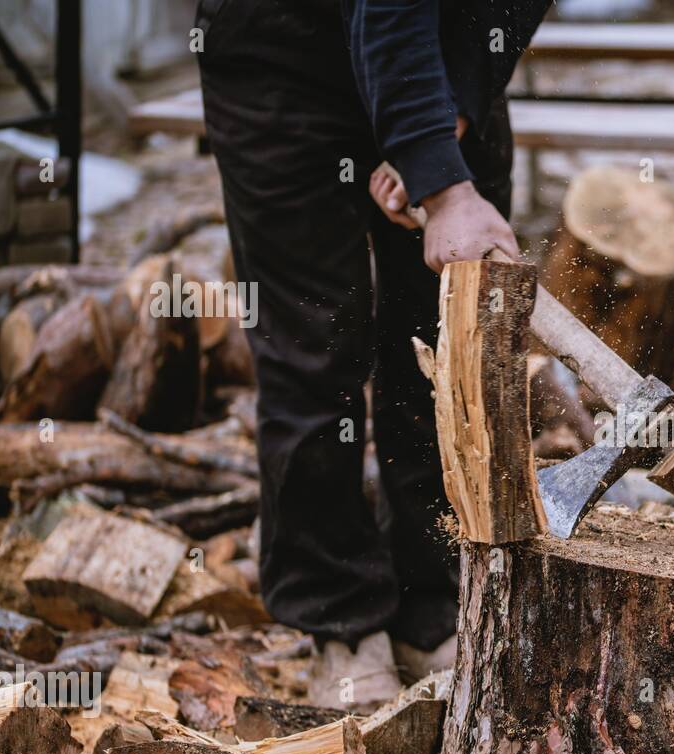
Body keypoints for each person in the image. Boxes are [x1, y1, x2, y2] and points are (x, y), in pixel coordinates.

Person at [195, 0, 551, 709]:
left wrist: (449, 109)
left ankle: (434, 599)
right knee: (313, 347)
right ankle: (340, 616)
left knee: (445, 345)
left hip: (446, 36)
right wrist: (442, 183)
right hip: (280, 51)